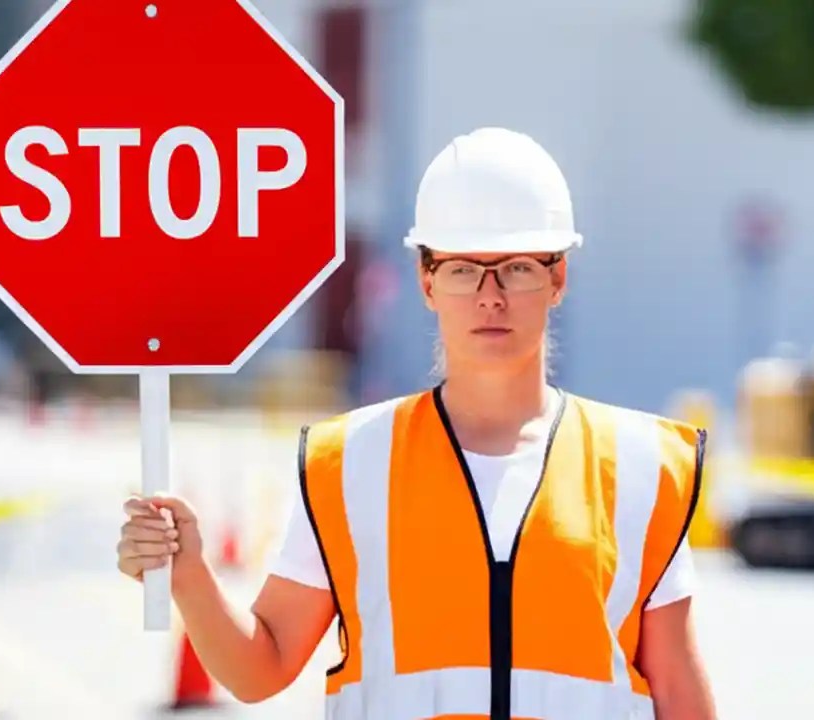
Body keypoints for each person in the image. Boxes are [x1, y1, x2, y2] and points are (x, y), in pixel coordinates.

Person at [118, 127, 718, 719]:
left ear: (557, 278)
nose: (490, 295)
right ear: (426, 281)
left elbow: (678, 694)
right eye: (462, 269)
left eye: (516, 268)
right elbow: (261, 667)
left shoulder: (641, 467)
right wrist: (189, 576)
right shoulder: (349, 464)